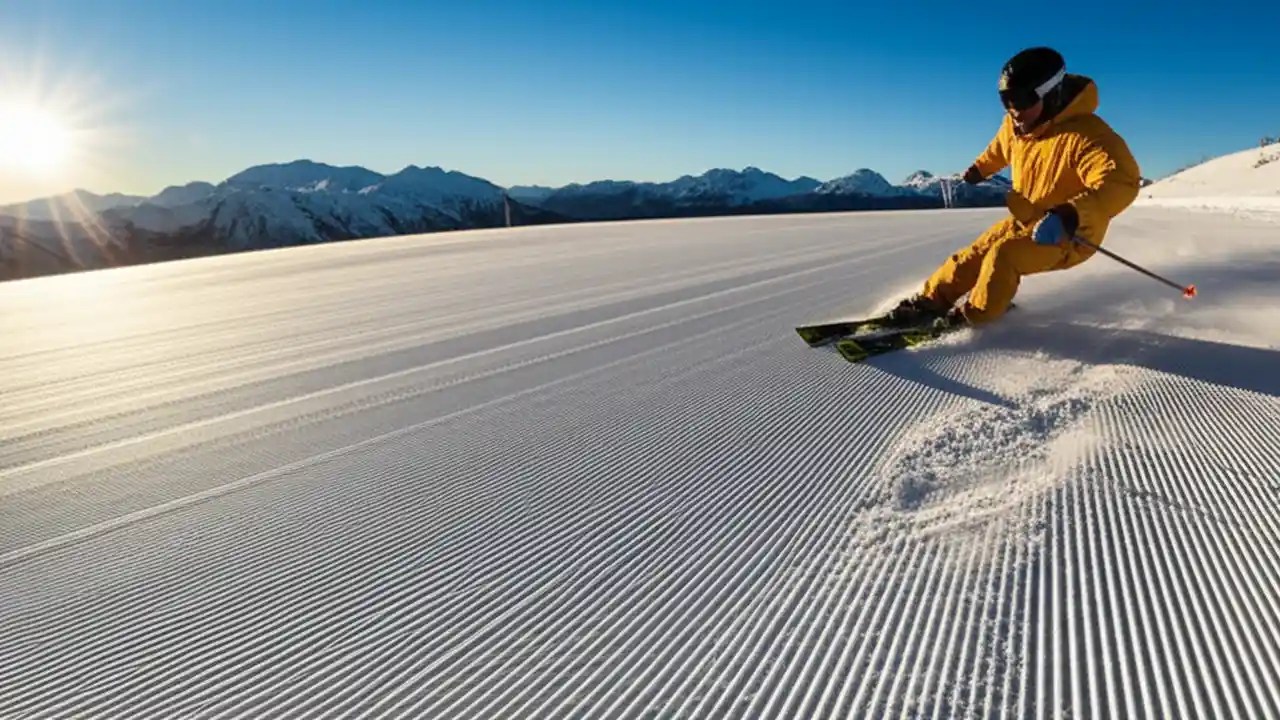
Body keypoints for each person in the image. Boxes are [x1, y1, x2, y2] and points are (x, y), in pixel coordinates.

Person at [888, 47, 1142, 328]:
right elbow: (1000, 149)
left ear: (1050, 93)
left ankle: (973, 317)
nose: (1013, 110)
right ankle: (931, 301)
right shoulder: (1018, 125)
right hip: (1027, 218)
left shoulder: (1087, 135)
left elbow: (1121, 181)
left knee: (1003, 256)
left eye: (1021, 99)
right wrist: (980, 169)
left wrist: (1071, 215)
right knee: (973, 255)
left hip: (1068, 235)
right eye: (1006, 100)